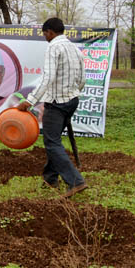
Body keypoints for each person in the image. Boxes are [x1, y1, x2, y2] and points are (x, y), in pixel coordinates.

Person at [17, 17, 87, 198]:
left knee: (51, 142)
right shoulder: (74, 48)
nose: (45, 37)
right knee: (53, 139)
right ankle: (50, 178)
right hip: (72, 101)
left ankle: (75, 181)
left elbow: (47, 78)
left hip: (57, 104)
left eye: (45, 34)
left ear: (49, 31)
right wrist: (73, 92)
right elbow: (83, 79)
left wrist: (30, 101)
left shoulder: (53, 47)